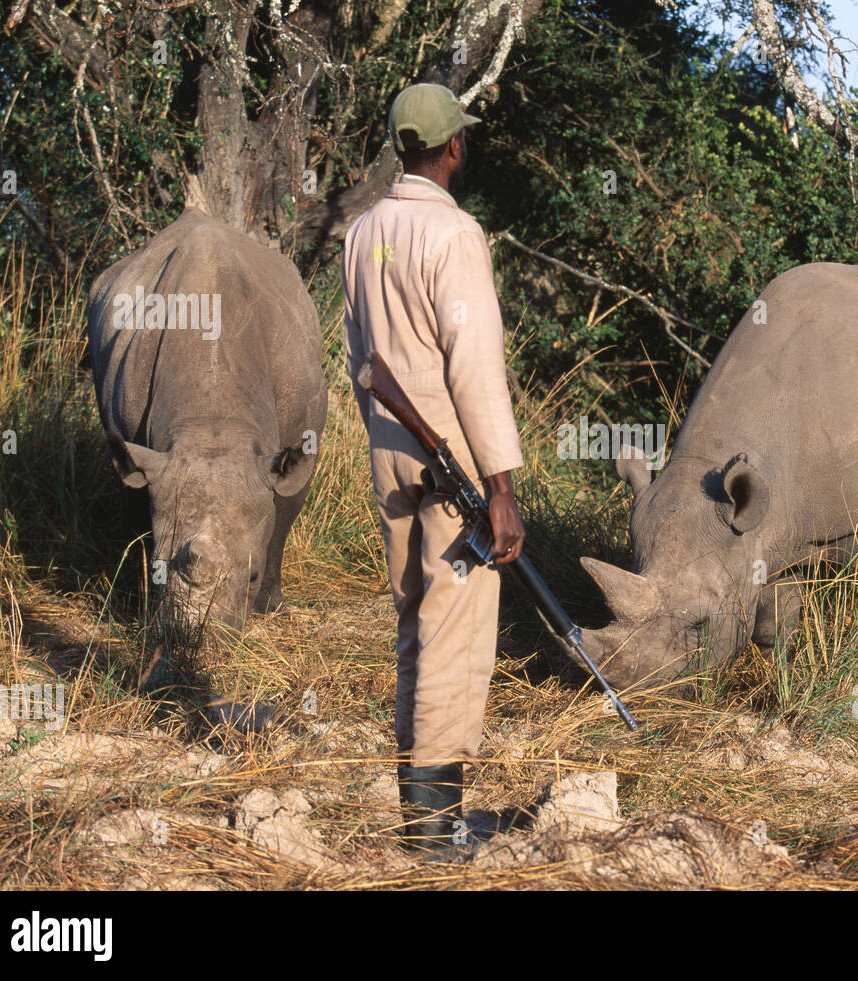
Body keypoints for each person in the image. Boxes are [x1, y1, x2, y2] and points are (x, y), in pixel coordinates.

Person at [342, 83, 525, 860]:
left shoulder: (362, 233)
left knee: (414, 621)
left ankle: (420, 813)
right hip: (449, 455)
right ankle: (435, 828)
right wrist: (500, 485)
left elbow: (361, 359)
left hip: (389, 450)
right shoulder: (455, 234)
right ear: (453, 147)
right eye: (464, 141)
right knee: (453, 631)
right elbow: (475, 367)